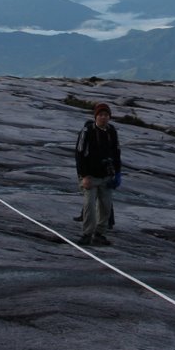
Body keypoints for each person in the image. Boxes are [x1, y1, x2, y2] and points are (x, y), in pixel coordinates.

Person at [74, 101, 122, 246]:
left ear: (109, 117)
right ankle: (87, 234)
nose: (103, 117)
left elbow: (116, 152)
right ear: (95, 116)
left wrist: (118, 173)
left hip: (106, 176)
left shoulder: (112, 131)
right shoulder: (87, 131)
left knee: (106, 207)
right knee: (89, 205)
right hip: (90, 177)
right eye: (101, 115)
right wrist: (84, 176)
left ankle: (100, 234)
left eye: (106, 115)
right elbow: (79, 154)